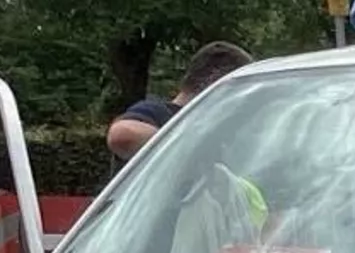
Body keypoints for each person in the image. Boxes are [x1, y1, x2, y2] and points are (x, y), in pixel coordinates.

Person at [105, 41, 253, 167]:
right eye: (238, 94)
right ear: (217, 84)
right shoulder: (160, 113)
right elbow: (122, 135)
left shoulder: (207, 128)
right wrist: (190, 150)